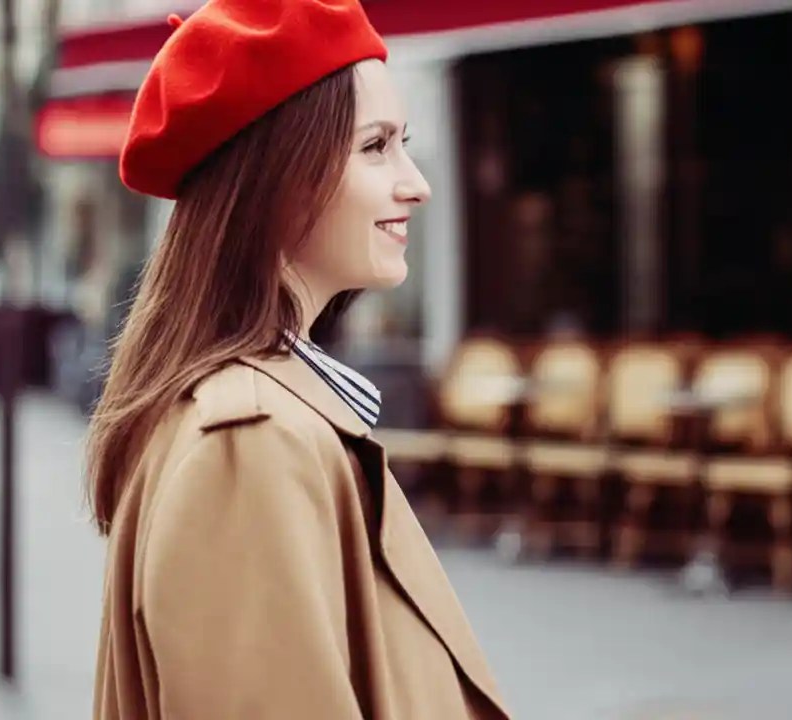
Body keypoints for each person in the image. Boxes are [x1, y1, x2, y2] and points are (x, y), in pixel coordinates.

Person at [85, 1, 510, 718]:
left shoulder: (260, 418)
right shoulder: (250, 444)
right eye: (375, 147)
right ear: (280, 176)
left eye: (403, 143)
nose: (417, 183)